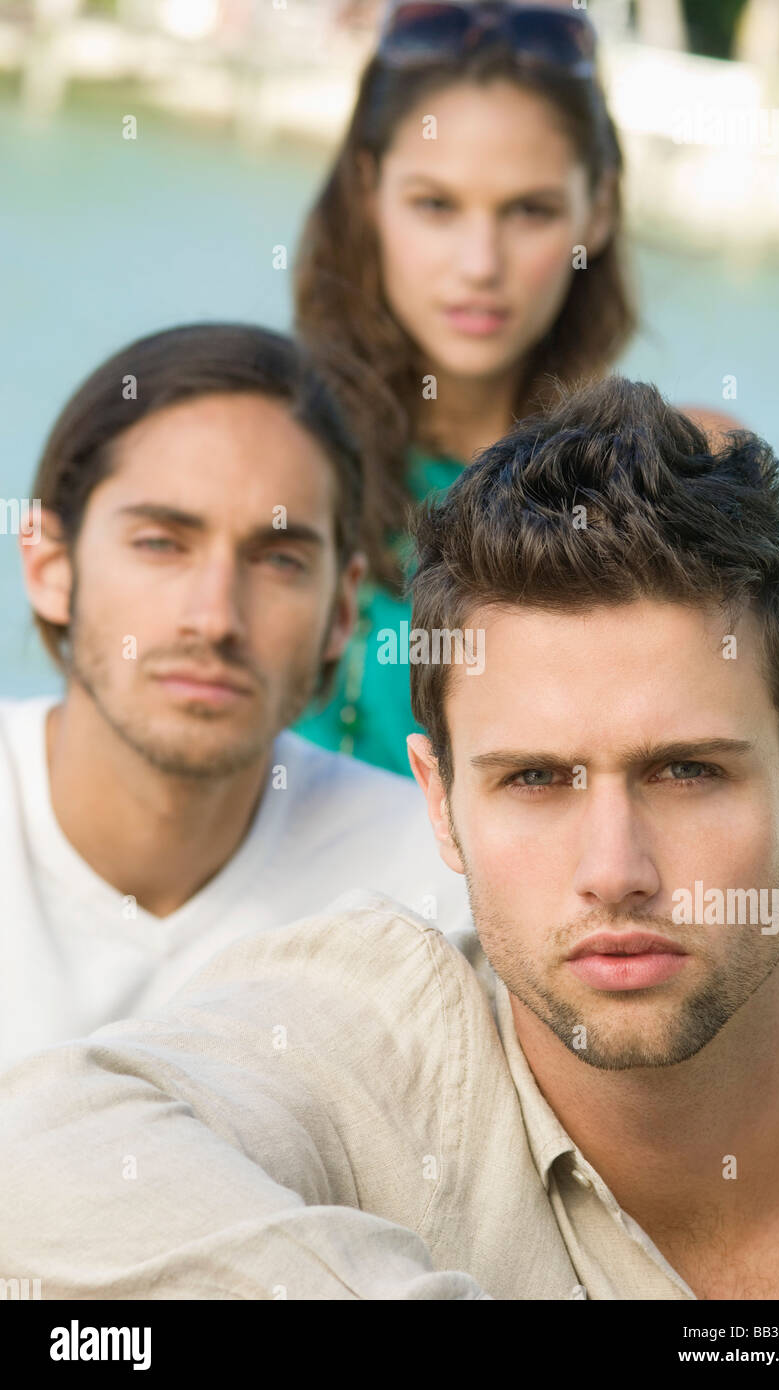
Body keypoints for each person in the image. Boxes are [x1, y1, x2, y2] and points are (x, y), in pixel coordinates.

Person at [0, 376, 779, 1300]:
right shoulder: (375, 1043)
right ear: (441, 804)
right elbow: (44, 1155)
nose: (614, 872)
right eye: (534, 779)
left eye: (685, 772)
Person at [0, 322, 471, 1068]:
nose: (216, 619)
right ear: (51, 567)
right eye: (161, 543)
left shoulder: (435, 892)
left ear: (341, 611)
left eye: (279, 559)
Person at [292, 0, 733, 775]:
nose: (478, 263)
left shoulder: (671, 474)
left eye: (528, 210)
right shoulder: (279, 450)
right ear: (369, 192)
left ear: (595, 209)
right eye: (435, 204)